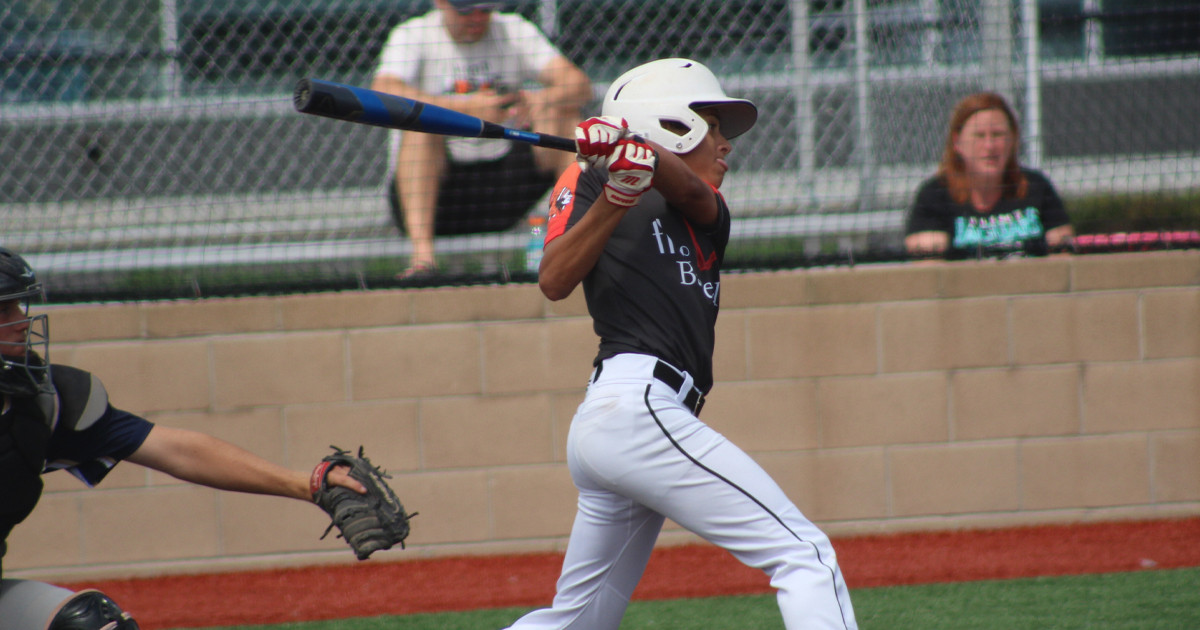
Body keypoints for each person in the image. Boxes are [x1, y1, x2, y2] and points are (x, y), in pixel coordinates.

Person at [509, 58, 858, 630]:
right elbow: (554, 279)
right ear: (669, 121)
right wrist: (616, 191)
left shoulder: (707, 210)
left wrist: (635, 152)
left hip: (638, 419)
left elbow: (685, 187)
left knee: (578, 624)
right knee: (805, 555)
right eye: (712, 126)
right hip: (633, 406)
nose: (726, 143)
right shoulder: (588, 176)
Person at [0, 248, 370, 630]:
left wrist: (308, 485)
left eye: (18, 306)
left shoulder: (43, 401)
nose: (22, 322)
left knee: (94, 624)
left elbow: (176, 450)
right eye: (3, 311)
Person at [370, 0, 592, 279]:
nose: (476, 17)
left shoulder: (512, 29)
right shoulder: (413, 34)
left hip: (502, 185)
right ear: (440, 4)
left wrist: (540, 99)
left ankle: (574, 249)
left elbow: (579, 84)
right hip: (437, 193)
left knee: (565, 117)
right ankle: (423, 261)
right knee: (421, 127)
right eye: (465, 10)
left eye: (484, 8)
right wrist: (464, 109)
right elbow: (383, 91)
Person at [904, 91, 1075, 260]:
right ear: (957, 142)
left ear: (1013, 139)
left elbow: (1063, 255)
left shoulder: (1036, 187)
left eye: (997, 134)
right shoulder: (935, 195)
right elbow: (928, 267)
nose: (989, 145)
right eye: (979, 135)